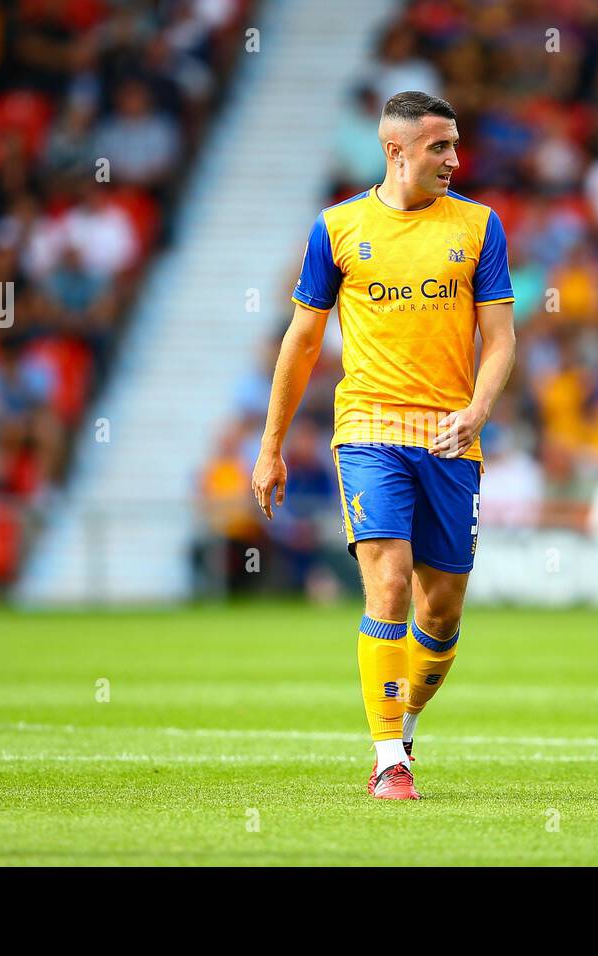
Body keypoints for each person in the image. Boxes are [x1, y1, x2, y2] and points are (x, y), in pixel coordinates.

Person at [251, 91, 516, 799]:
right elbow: (303, 341)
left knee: (443, 607)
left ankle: (402, 721)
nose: (455, 160)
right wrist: (271, 444)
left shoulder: (480, 228)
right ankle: (388, 758)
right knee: (390, 583)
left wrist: (476, 409)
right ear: (395, 151)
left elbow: (501, 341)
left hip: (451, 437)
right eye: (440, 147)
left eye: (456, 146)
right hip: (369, 431)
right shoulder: (337, 228)